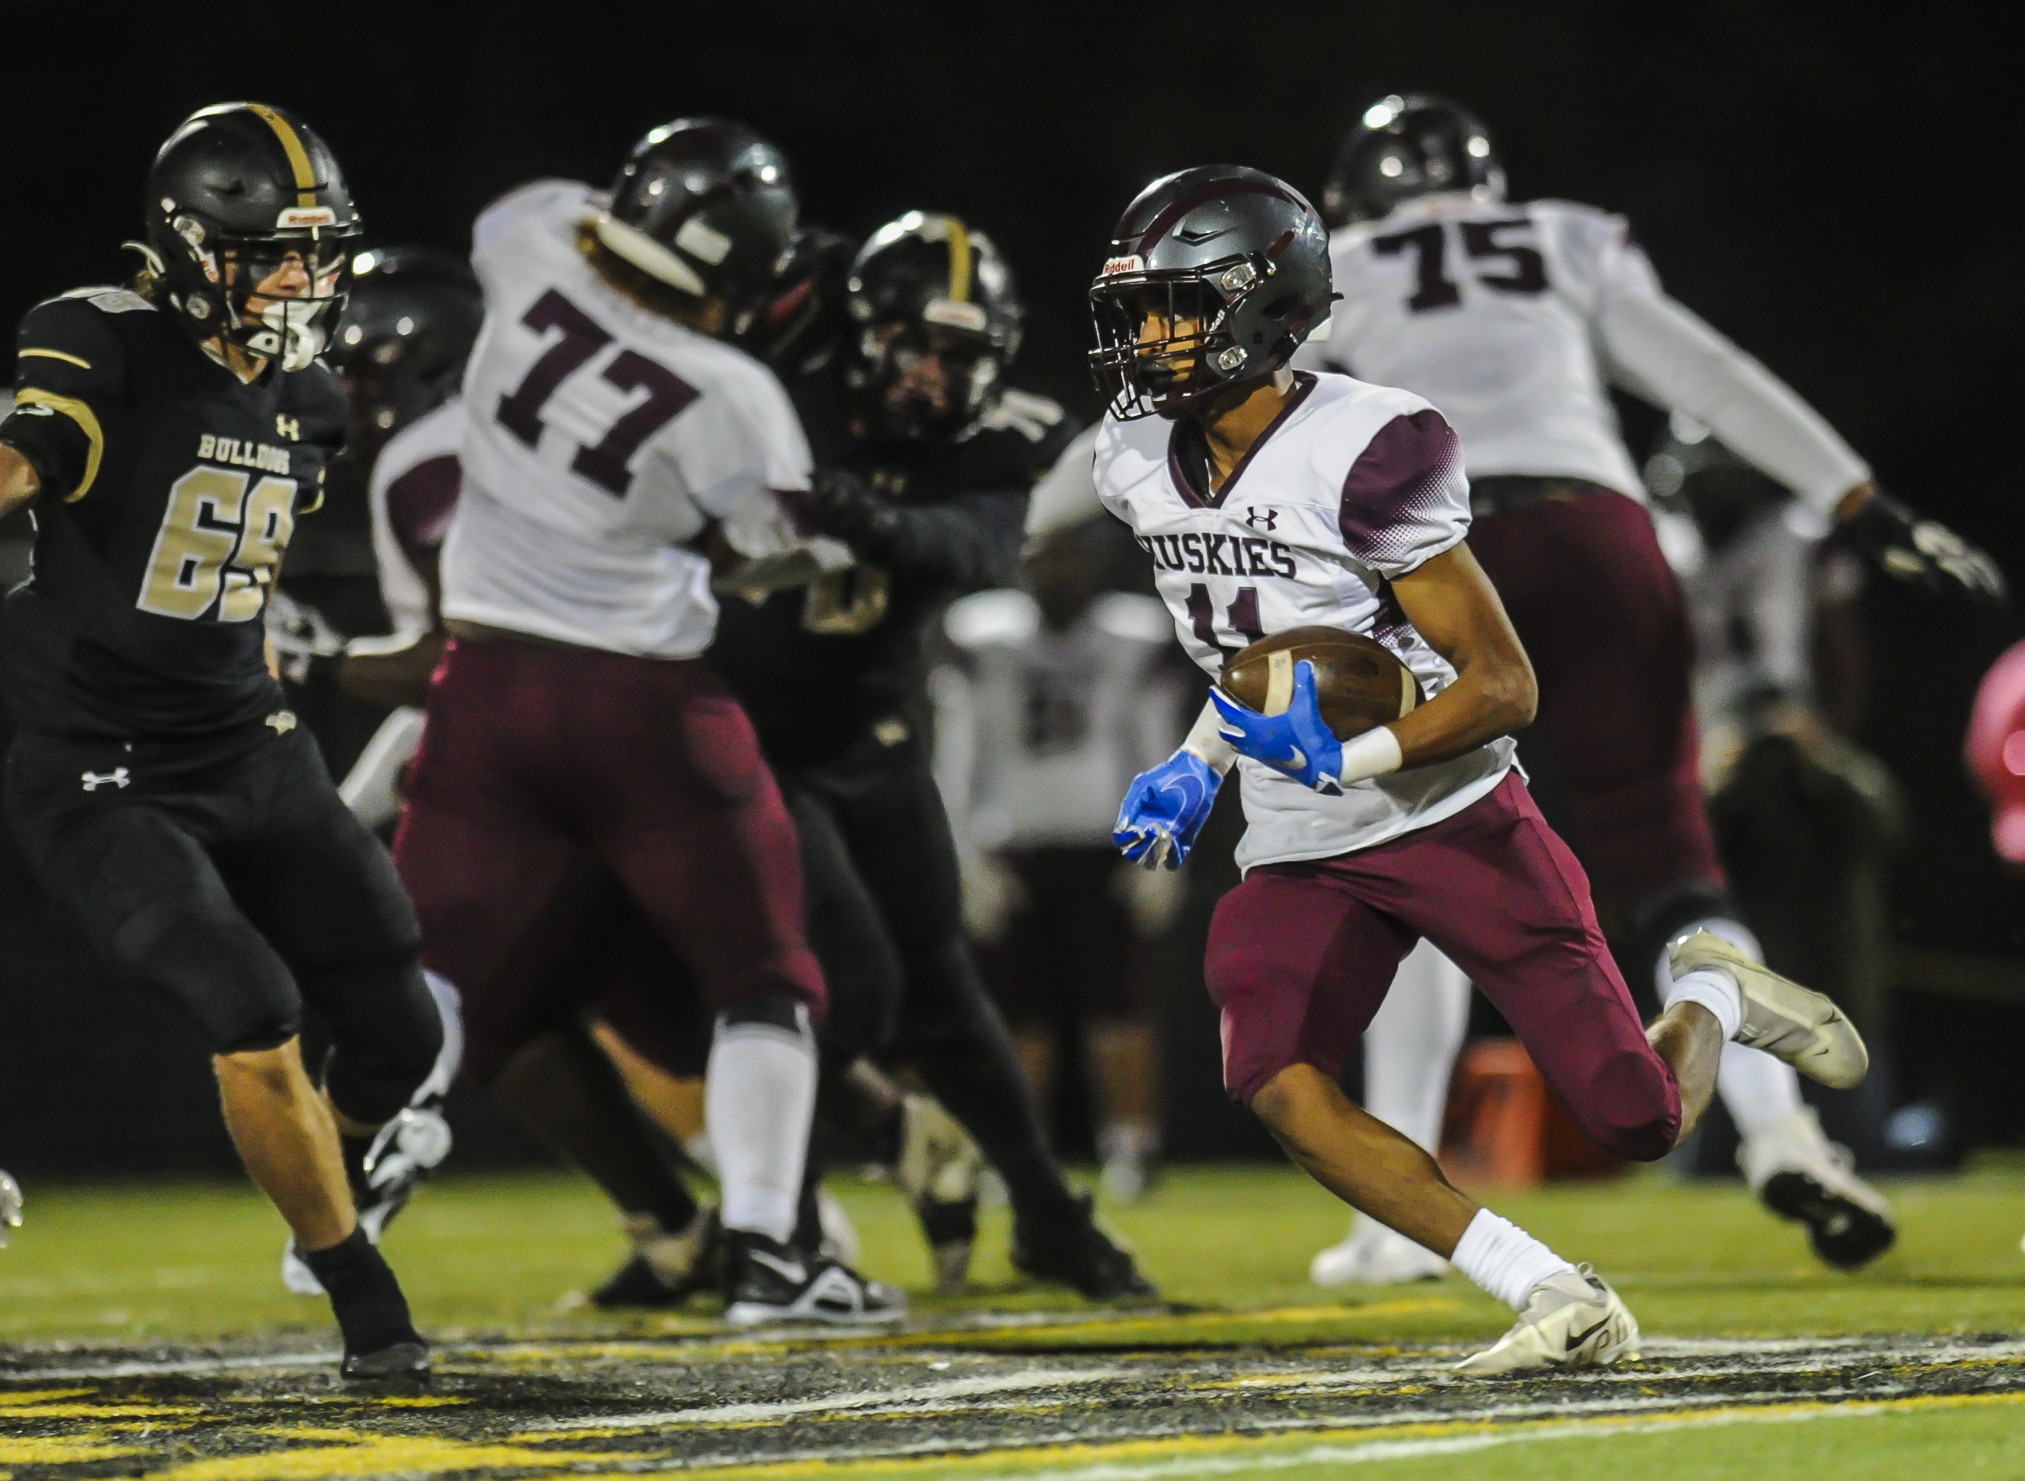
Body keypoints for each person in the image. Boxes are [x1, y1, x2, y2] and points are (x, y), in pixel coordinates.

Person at [1094, 163, 1870, 1372]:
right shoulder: (1133, 452)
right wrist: (1198, 759)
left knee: (1637, 1118)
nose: (1147, 337)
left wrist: (1347, 750)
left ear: (1264, 307)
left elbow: (1505, 685)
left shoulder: (1366, 442)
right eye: (1138, 309)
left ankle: (1715, 990)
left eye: (1174, 306)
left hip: (1448, 811)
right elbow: (1242, 648)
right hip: (1299, 834)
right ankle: (1549, 1285)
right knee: (1275, 1073)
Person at [1293, 95, 2000, 1275]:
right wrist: (1860, 501)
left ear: (1360, 194)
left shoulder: (1347, 264)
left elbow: (1254, 418)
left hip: (1448, 545)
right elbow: (1708, 374)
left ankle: (1395, 1212)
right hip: (1607, 536)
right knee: (1675, 873)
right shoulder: (1565, 235)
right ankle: (1785, 1131)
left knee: (1404, 858)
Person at [391, 117, 899, 1324]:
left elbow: (569, 208)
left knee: (434, 966)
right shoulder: (733, 391)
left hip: (485, 685)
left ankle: (341, 1195)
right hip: (642, 701)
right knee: (761, 973)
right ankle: (777, 1255)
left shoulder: (525, 236)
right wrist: (832, 560)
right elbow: (774, 552)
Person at [0, 103, 442, 1378]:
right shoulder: (102, 333)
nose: (304, 280)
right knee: (249, 1001)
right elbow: (34, 453)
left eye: (319, 250)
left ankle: (329, 1180)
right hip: (102, 762)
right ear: (192, 246)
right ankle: (367, 1299)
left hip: (250, 744)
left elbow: (229, 585)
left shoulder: (308, 397)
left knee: (403, 1027)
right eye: (274, 253)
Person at [709, 211, 1154, 1298]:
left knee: (943, 988)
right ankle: (778, 1221)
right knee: (847, 982)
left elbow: (978, 547)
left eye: (965, 355)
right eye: (922, 345)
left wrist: (862, 514)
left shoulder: (991, 437)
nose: (940, 375)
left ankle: (1046, 1211)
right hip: (748, 731)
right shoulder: (775, 386)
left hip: (870, 724)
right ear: (863, 330)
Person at [934, 515, 1184, 1201]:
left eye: (1070, 556)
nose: (1057, 570)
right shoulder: (980, 631)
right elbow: (957, 750)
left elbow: (1156, 744)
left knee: (1120, 1008)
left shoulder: (1134, 634)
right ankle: (1015, 1149)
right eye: (1046, 555)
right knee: (1017, 1016)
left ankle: (1132, 1146)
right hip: (1010, 843)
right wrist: (964, 853)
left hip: (1107, 842)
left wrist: (1161, 848)